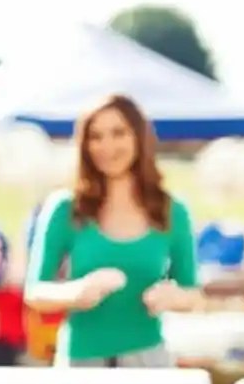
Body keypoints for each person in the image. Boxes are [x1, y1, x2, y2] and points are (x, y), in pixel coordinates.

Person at [25, 94, 202, 367]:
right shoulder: (64, 208)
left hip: (149, 362)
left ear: (139, 138)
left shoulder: (172, 210)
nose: (106, 146)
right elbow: (35, 291)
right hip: (80, 363)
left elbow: (193, 293)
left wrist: (173, 297)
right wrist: (75, 292)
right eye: (96, 136)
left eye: (118, 133)